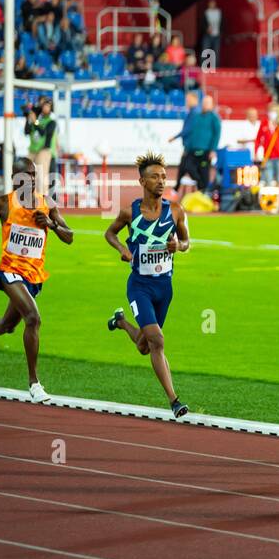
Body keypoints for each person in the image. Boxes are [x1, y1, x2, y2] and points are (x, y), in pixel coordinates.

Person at [0, 157, 75, 402]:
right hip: (9, 270)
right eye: (26, 175)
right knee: (33, 318)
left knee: (8, 326)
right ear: (15, 179)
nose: (32, 179)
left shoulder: (46, 204)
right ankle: (34, 384)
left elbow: (70, 237)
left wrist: (51, 225)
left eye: (34, 174)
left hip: (33, 275)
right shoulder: (3, 203)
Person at [104, 152, 192, 418]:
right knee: (157, 340)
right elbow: (109, 233)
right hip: (140, 286)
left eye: (164, 176)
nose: (161, 181)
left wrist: (179, 245)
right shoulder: (129, 213)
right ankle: (174, 401)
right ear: (142, 181)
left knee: (145, 346)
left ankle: (120, 322)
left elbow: (187, 242)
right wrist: (121, 248)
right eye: (155, 177)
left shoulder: (176, 211)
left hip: (165, 288)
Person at [24, 96, 59, 198]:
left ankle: (43, 200)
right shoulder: (37, 119)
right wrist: (28, 119)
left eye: (48, 106)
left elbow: (43, 132)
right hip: (32, 150)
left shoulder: (51, 122)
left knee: (42, 176)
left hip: (43, 151)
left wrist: (35, 121)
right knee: (25, 174)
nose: (45, 108)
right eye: (44, 106)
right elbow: (26, 131)